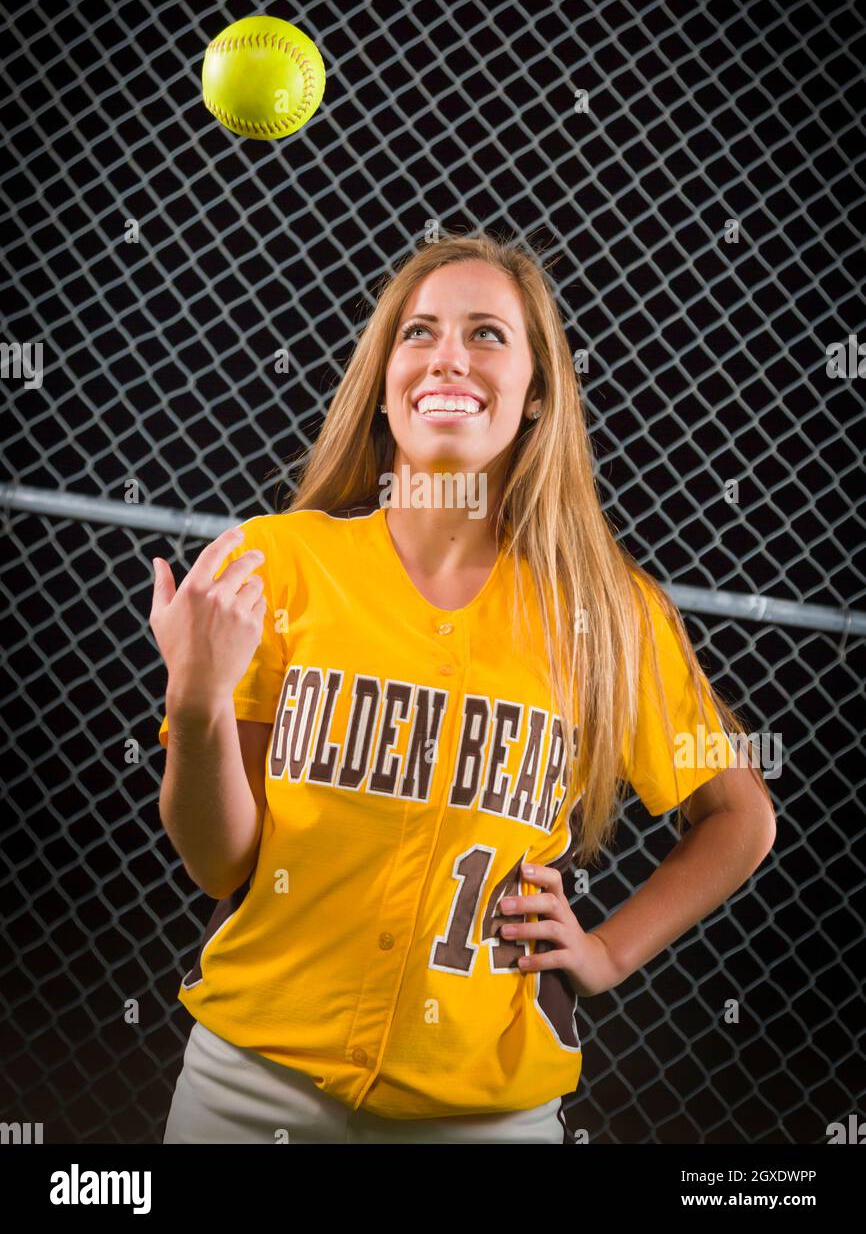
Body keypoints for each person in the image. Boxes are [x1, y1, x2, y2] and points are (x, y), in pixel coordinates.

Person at [149, 229, 776, 1144]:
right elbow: (219, 863)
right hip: (251, 1085)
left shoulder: (606, 610)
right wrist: (196, 700)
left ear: (534, 396)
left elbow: (741, 816)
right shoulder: (275, 563)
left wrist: (606, 951)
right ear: (385, 383)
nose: (449, 356)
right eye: (419, 333)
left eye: (488, 334)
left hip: (486, 1112)